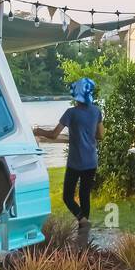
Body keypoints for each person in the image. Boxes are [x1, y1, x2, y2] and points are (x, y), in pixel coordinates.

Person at [34, 77, 104, 242]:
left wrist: (38, 131)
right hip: (91, 161)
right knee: (85, 195)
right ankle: (83, 236)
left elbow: (53, 134)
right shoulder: (96, 111)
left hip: (75, 162)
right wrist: (87, 133)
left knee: (67, 197)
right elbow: (101, 135)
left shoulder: (71, 113)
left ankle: (83, 221)